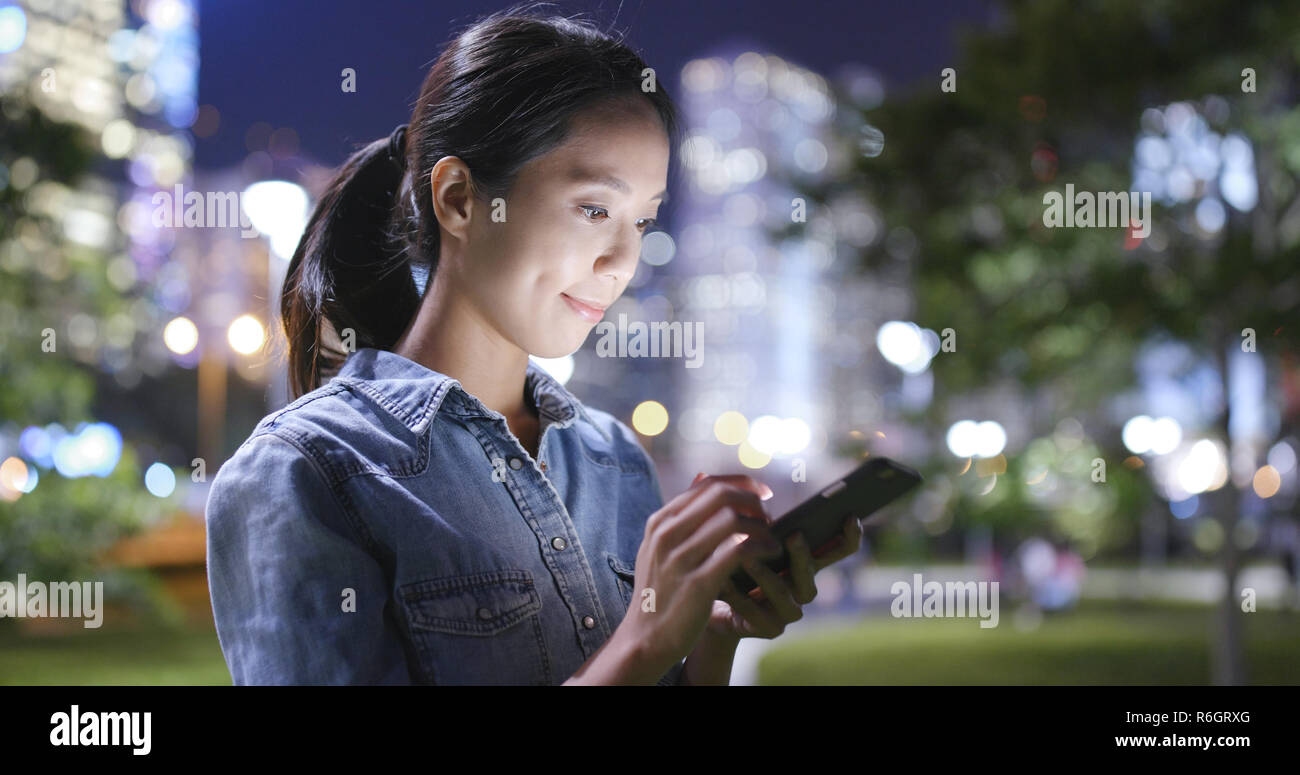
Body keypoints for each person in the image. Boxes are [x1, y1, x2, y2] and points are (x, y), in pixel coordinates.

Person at [204, 3, 862, 686]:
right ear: (459, 199)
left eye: (642, 220)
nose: (621, 261)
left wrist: (708, 639)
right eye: (594, 209)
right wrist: (638, 645)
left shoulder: (613, 461)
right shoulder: (304, 473)